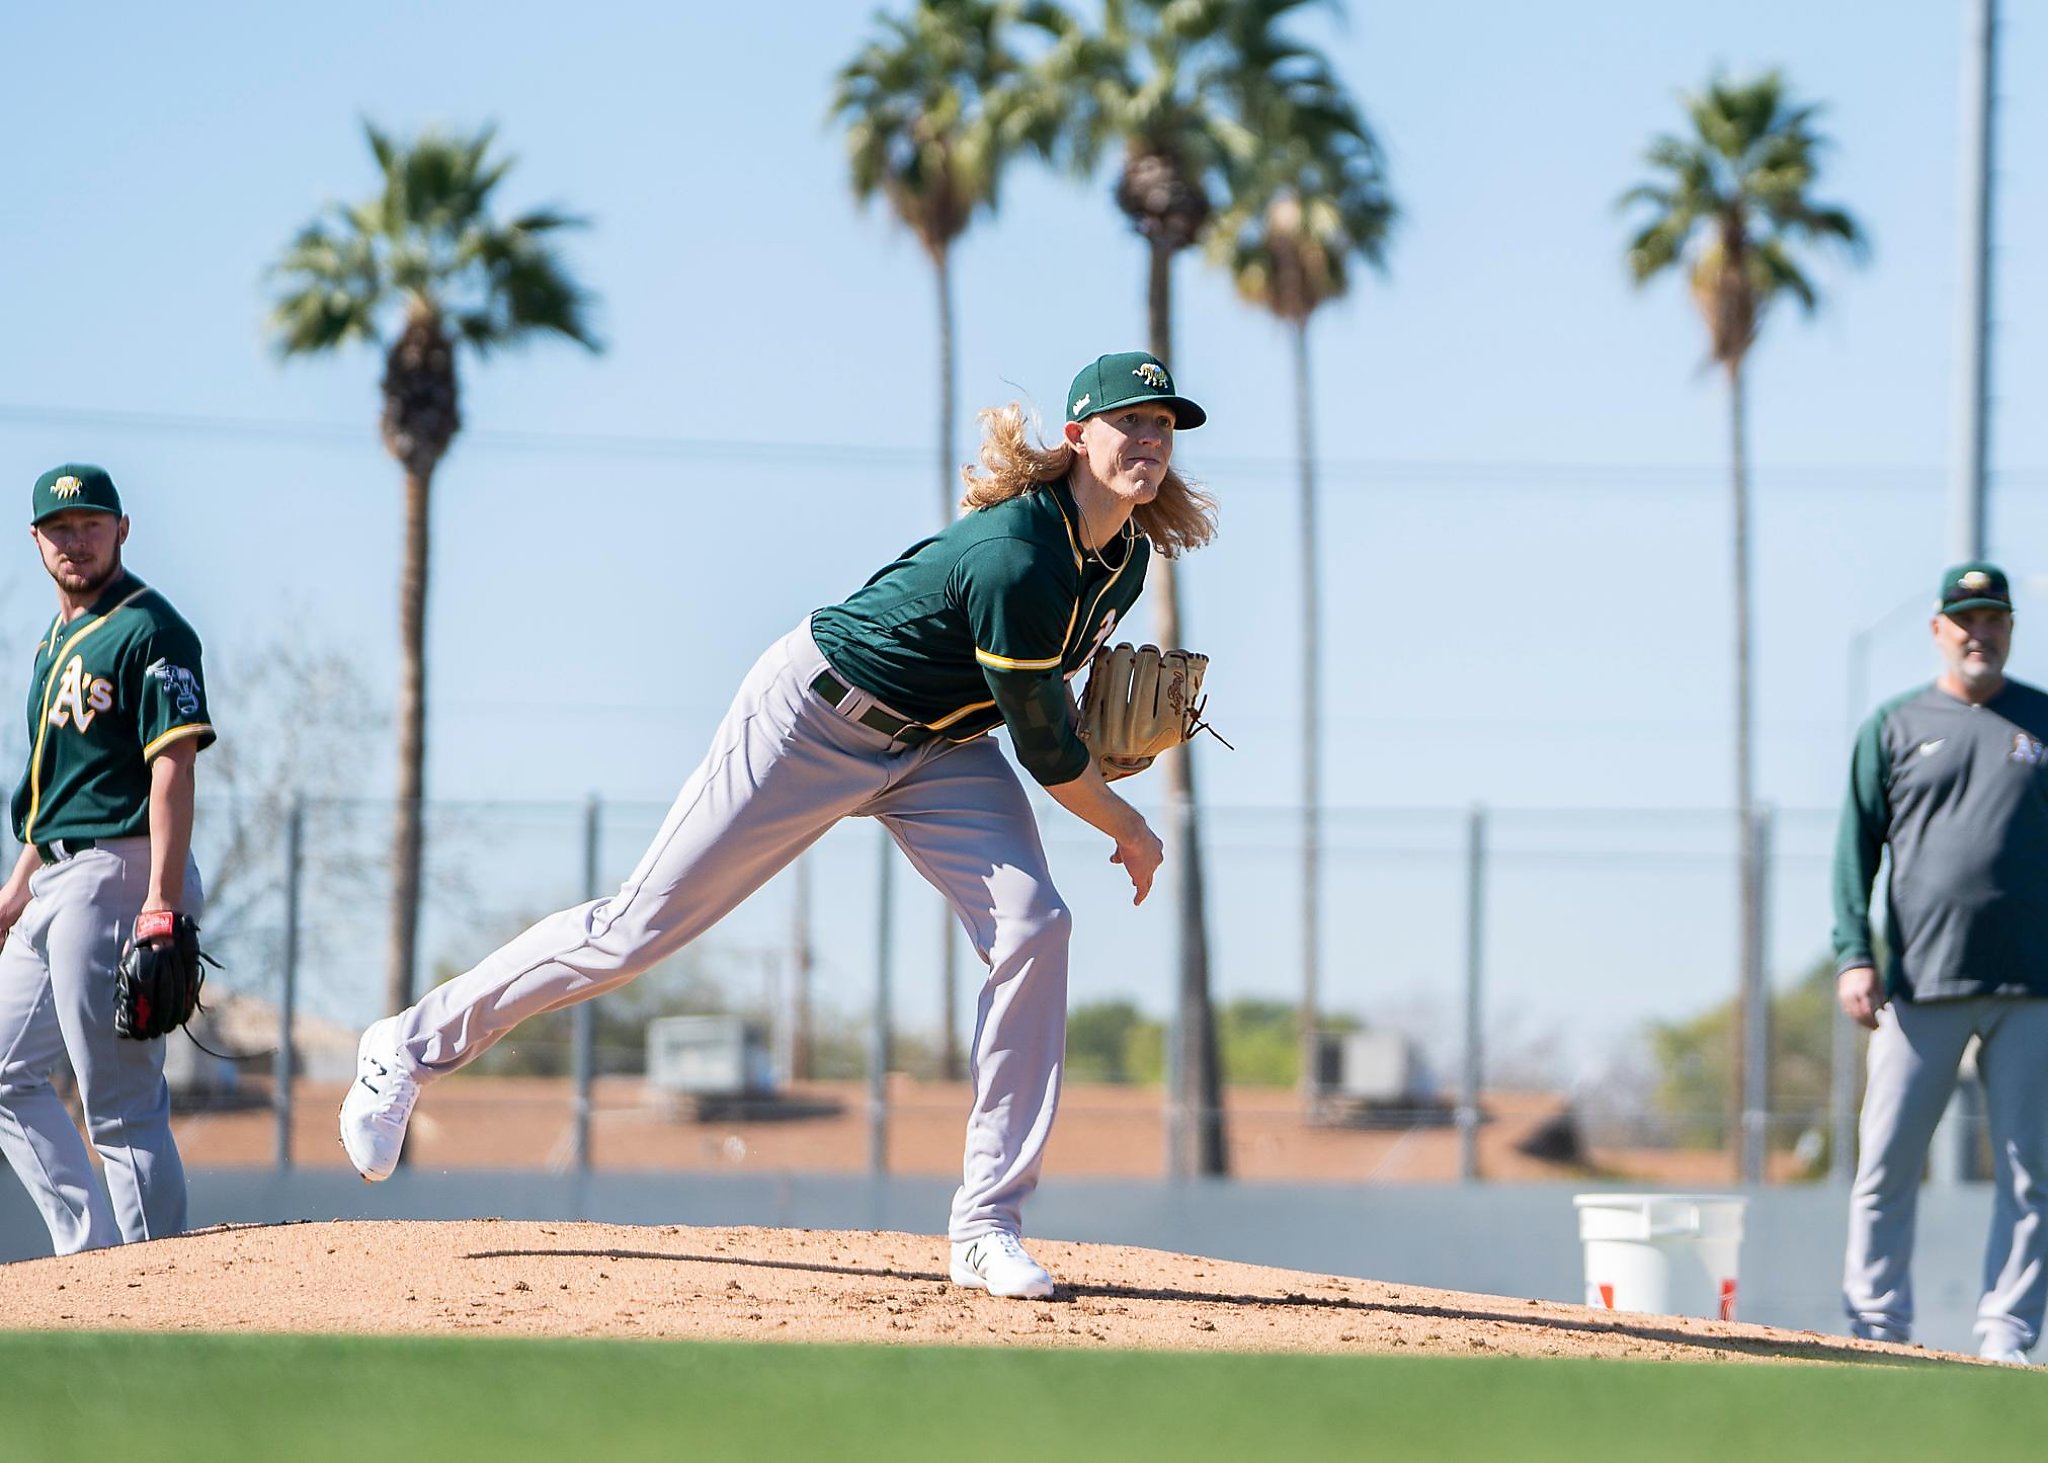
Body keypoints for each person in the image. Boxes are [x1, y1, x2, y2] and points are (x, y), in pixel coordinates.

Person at [342, 351, 1215, 1298]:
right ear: (1079, 437)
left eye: (1164, 425)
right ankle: (407, 1047)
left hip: (941, 751)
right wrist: (1124, 818)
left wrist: (1097, 737)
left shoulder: (1124, 559)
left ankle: (987, 1224)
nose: (1151, 440)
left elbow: (1046, 709)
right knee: (635, 931)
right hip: (815, 717)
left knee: (1036, 924)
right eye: (1132, 420)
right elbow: (1051, 757)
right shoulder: (1020, 555)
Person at [1835, 561, 2048, 1364]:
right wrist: (1855, 953)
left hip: (2034, 985)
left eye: (1993, 618)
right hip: (1918, 983)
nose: (1978, 632)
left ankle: (2007, 1333)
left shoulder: (2041, 721)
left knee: (2033, 1174)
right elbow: (1854, 851)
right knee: (1886, 1163)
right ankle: (1875, 1328)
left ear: (2010, 627)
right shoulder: (1892, 726)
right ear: (1938, 630)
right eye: (1964, 619)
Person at [0, 464, 215, 1254]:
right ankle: (89, 1256)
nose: (75, 541)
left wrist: (161, 900)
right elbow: (56, 785)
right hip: (56, 872)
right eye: (59, 529)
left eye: (91, 524)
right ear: (35, 541)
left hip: (121, 870)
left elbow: (174, 765)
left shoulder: (151, 628)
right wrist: (17, 886)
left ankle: (159, 1287)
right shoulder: (53, 643)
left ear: (122, 529)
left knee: (120, 1101)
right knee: (6, 1073)